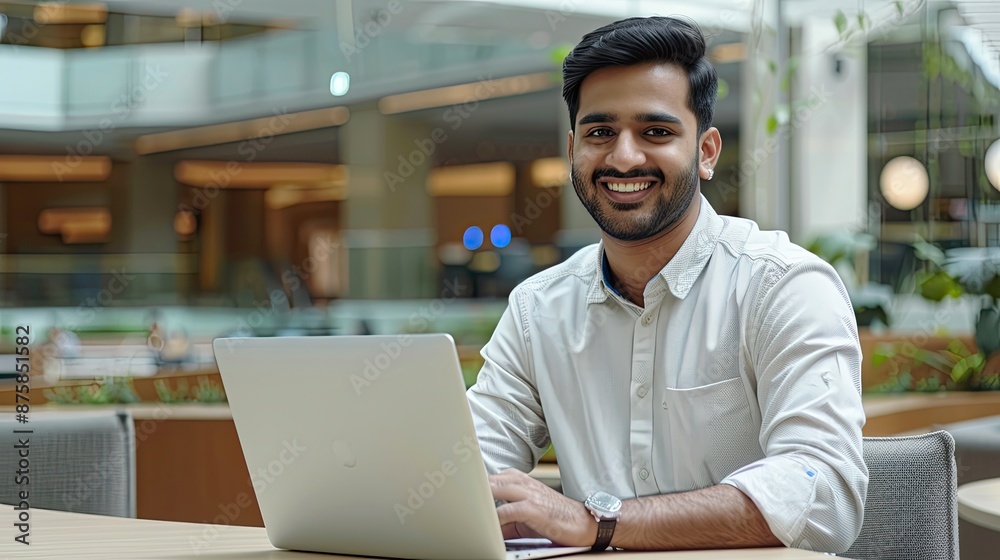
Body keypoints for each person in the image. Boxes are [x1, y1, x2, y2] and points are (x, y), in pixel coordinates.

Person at [466, 15, 867, 553]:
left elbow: (825, 498)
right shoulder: (538, 309)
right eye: (600, 132)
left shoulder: (784, 286)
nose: (623, 156)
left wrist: (597, 523)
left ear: (705, 152)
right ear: (572, 152)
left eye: (656, 132)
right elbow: (465, 472)